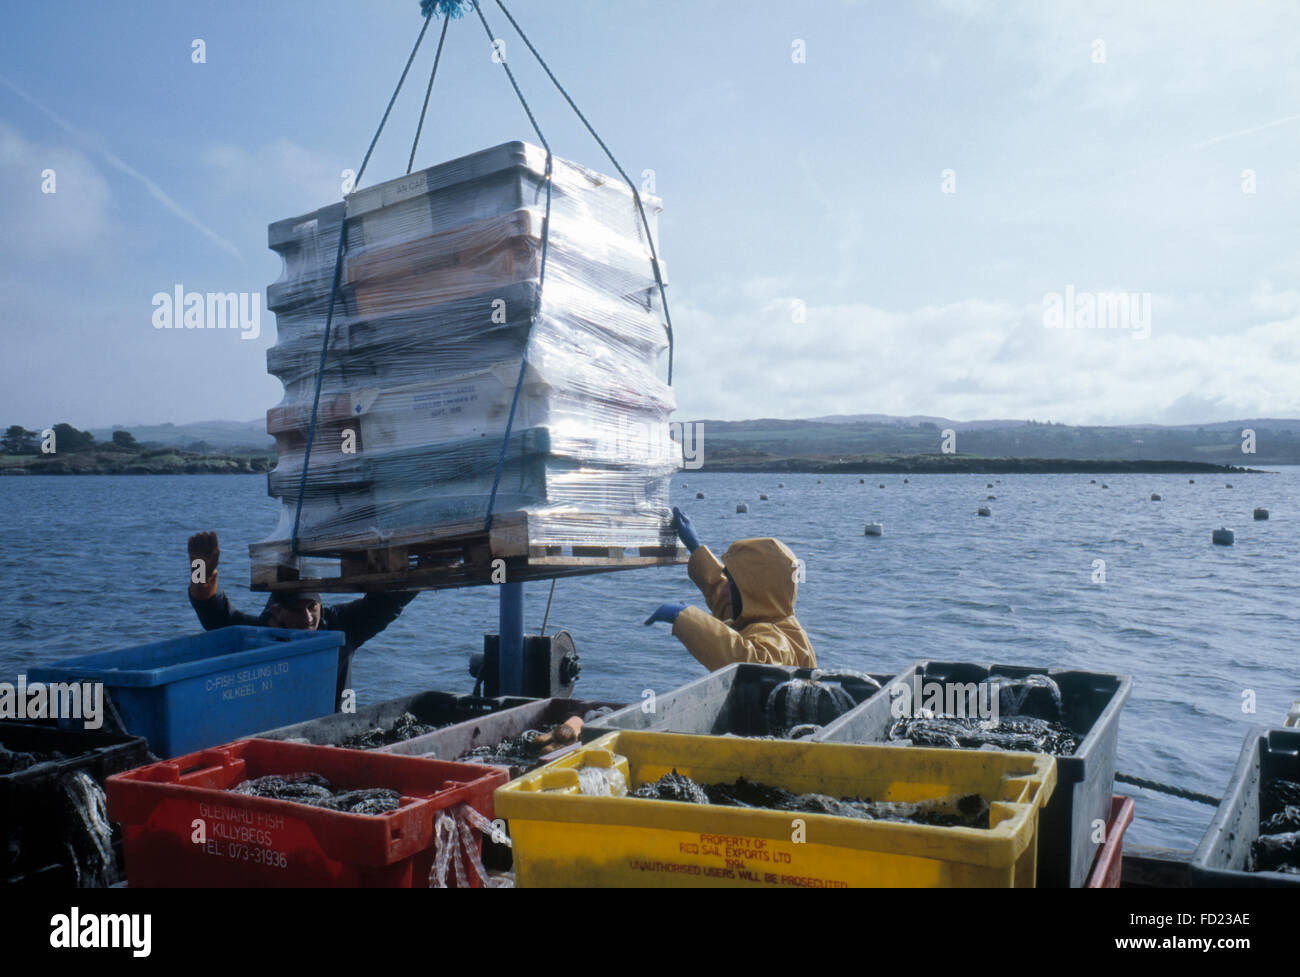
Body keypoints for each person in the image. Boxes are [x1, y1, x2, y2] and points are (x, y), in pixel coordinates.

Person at [186, 531, 418, 709]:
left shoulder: (343, 625)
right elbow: (211, 609)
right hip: (285, 732)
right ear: (276, 612)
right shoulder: (258, 634)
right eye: (296, 610)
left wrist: (429, 560)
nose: (307, 618)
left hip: (342, 727)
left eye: (311, 607)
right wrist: (200, 569)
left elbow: (390, 601)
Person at [643, 507, 816, 670]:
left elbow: (748, 664)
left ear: (755, 593)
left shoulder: (778, 641)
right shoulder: (766, 617)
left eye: (733, 585)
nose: (725, 591)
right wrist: (696, 549)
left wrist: (687, 618)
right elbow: (723, 593)